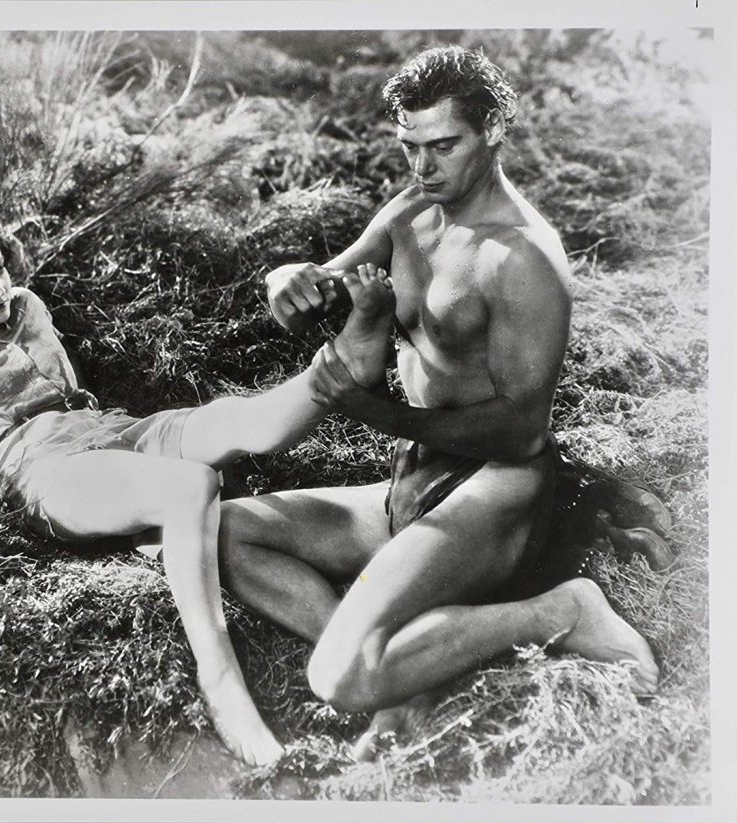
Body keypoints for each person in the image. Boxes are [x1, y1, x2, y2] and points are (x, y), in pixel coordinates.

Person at [217, 45, 660, 760]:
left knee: (337, 677)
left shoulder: (521, 256)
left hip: (496, 486)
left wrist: (372, 411)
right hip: (414, 476)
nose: (423, 168)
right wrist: (286, 280)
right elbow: (322, 292)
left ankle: (563, 610)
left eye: (444, 146)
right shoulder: (411, 210)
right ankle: (400, 670)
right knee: (223, 532)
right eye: (409, 147)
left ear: (493, 130)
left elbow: (520, 431)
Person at [0, 212, 396, 766]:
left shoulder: (29, 304)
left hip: (107, 428)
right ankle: (221, 681)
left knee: (237, 420)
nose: (0, 287)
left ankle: (343, 365)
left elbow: (70, 382)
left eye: (0, 269)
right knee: (192, 486)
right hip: (40, 465)